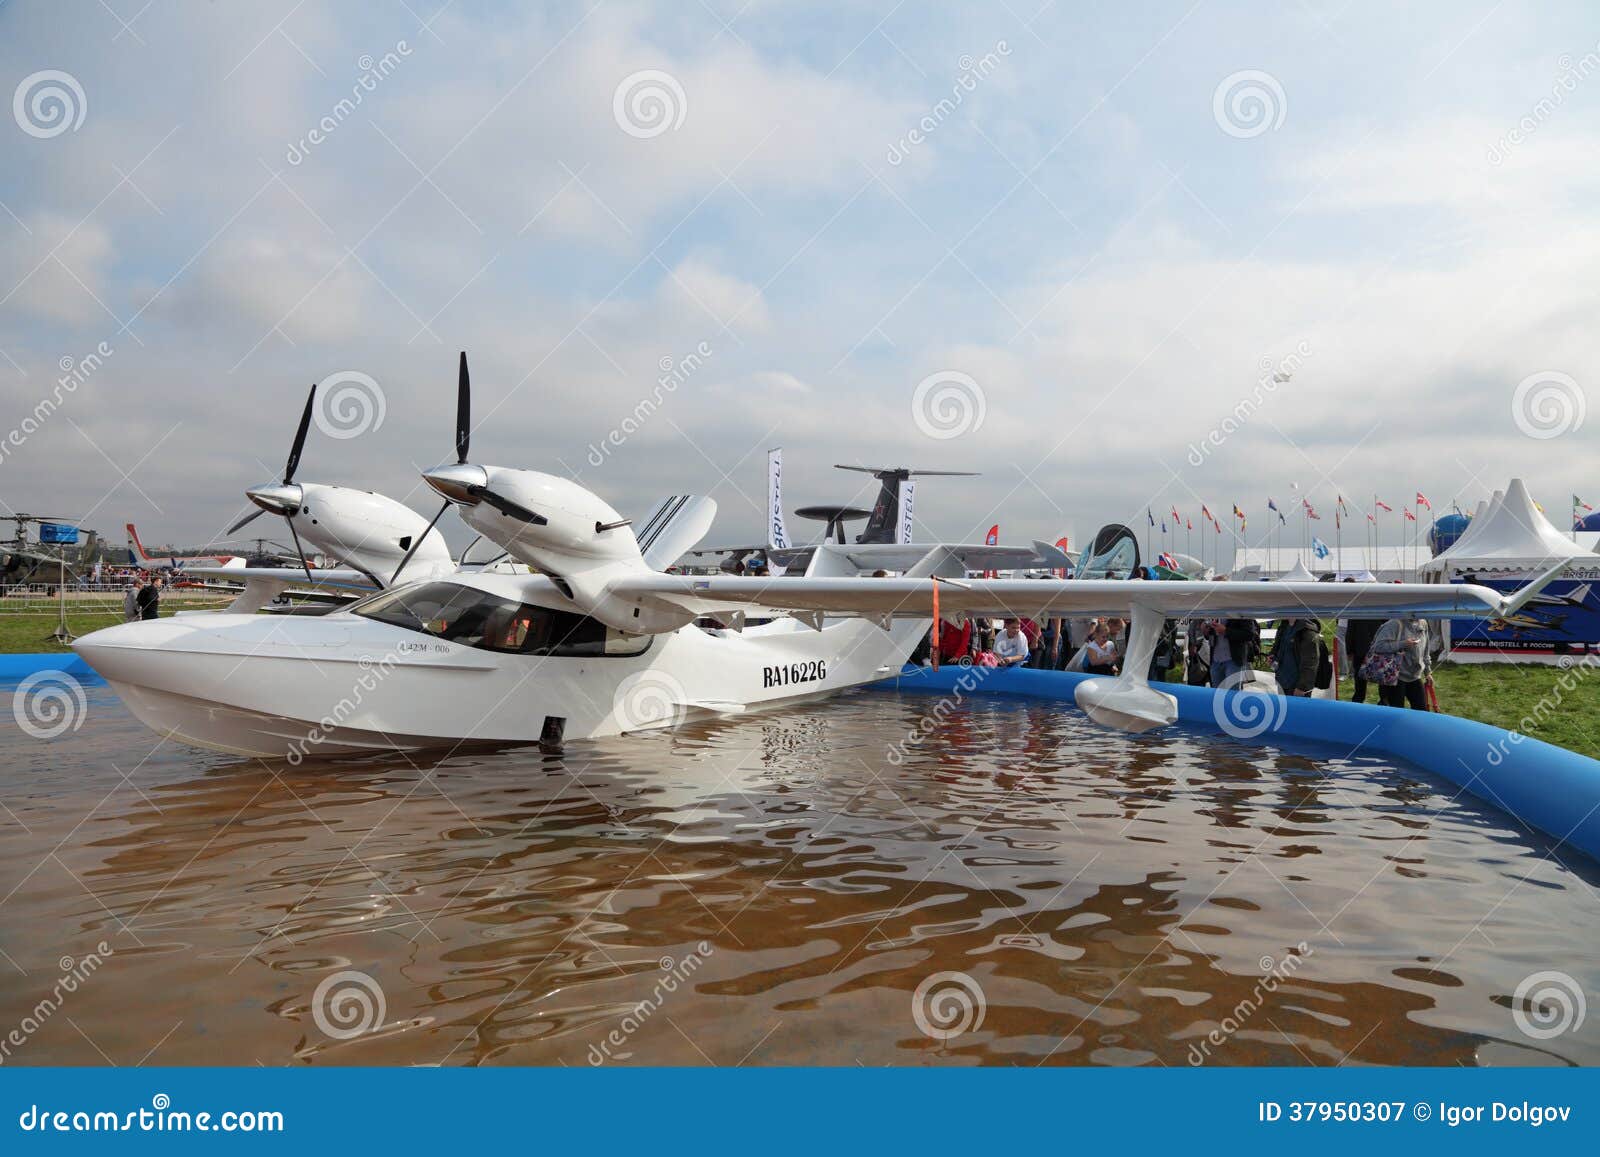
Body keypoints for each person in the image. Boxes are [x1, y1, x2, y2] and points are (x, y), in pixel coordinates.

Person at [1370, 616, 1430, 709]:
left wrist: (1427, 672)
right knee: (1395, 713)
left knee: (1422, 711)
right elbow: (1378, 646)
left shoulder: (1423, 623)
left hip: (1415, 676)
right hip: (1394, 676)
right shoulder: (1394, 623)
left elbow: (1425, 650)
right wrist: (1403, 643)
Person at [1272, 617, 1320, 696]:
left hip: (1296, 687)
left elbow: (1311, 662)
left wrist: (1302, 687)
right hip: (1282, 681)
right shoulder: (1284, 625)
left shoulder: (1307, 631)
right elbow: (1279, 647)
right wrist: (1273, 655)